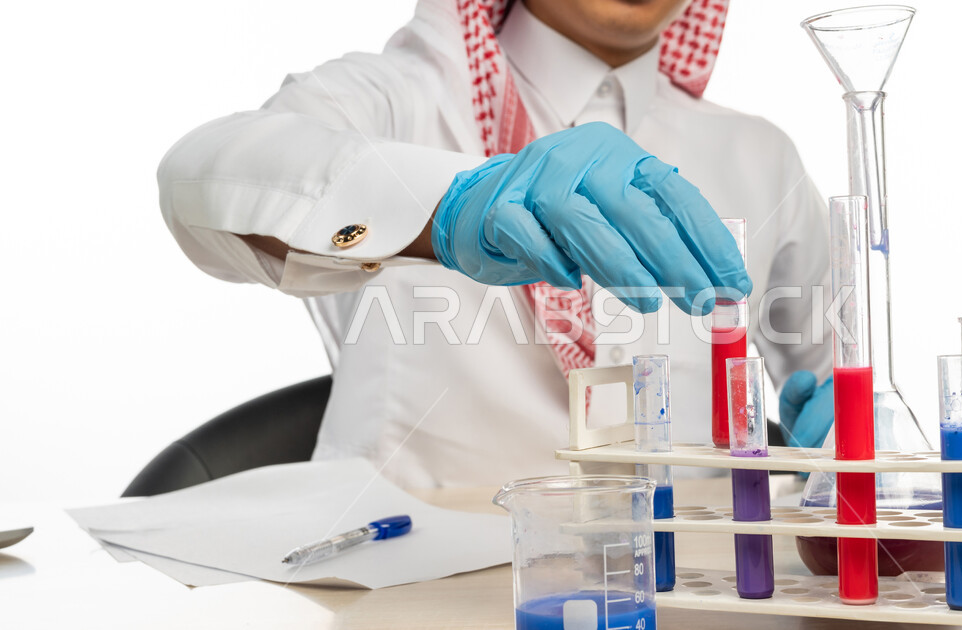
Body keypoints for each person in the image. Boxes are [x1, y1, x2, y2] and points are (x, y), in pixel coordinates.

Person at [158, 0, 834, 488]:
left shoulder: (759, 156)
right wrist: (448, 206)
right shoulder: (400, 102)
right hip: (411, 600)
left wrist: (857, 440)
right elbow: (202, 177)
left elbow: (844, 377)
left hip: (696, 596)